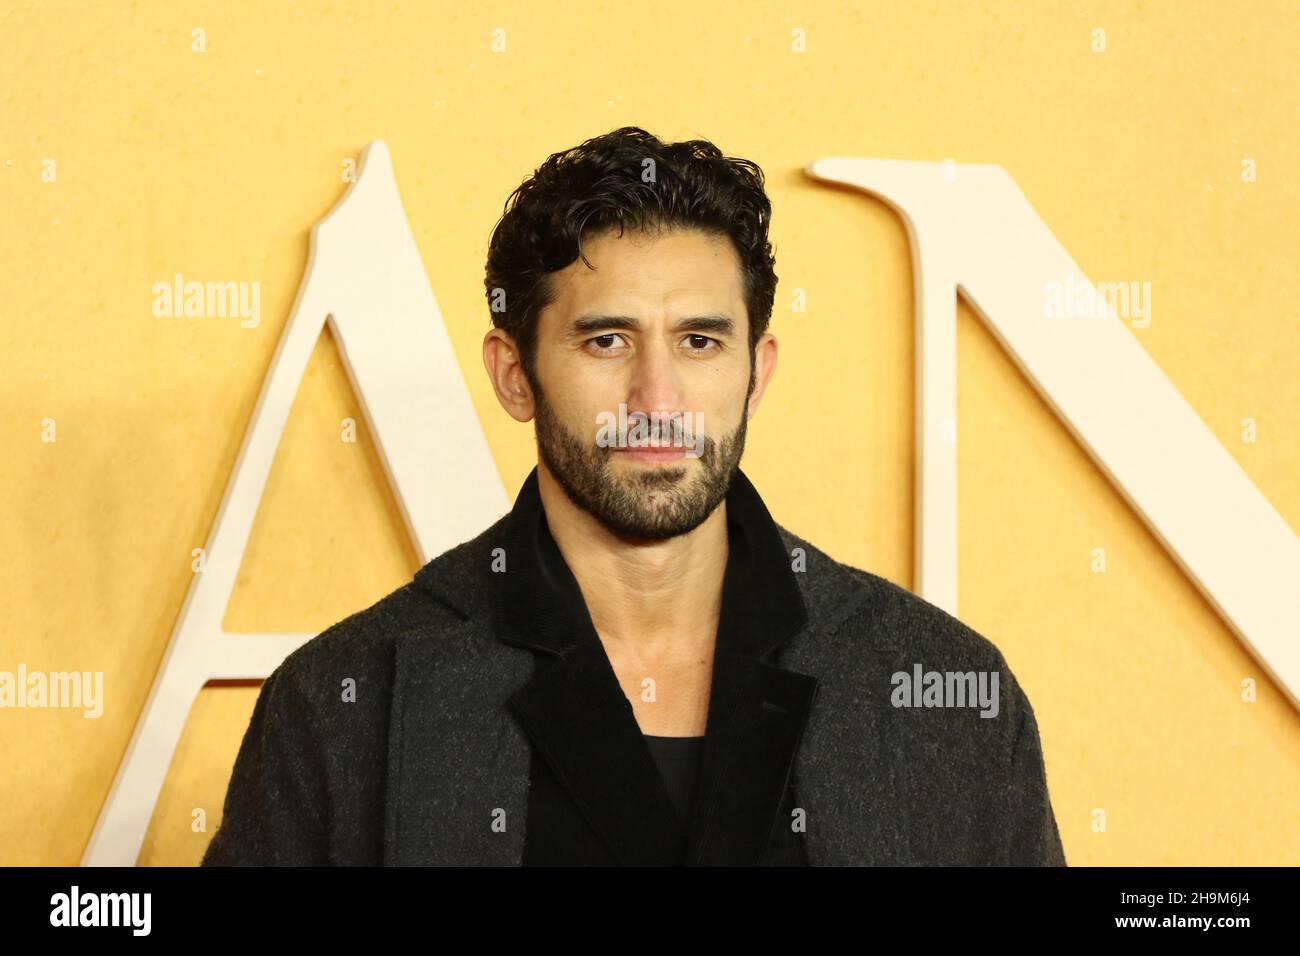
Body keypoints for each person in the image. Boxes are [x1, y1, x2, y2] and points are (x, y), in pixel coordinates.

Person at [202, 126, 1065, 866]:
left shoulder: (948, 694)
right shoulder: (341, 703)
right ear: (515, 375)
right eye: (607, 339)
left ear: (754, 374)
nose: (658, 399)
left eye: (698, 340)